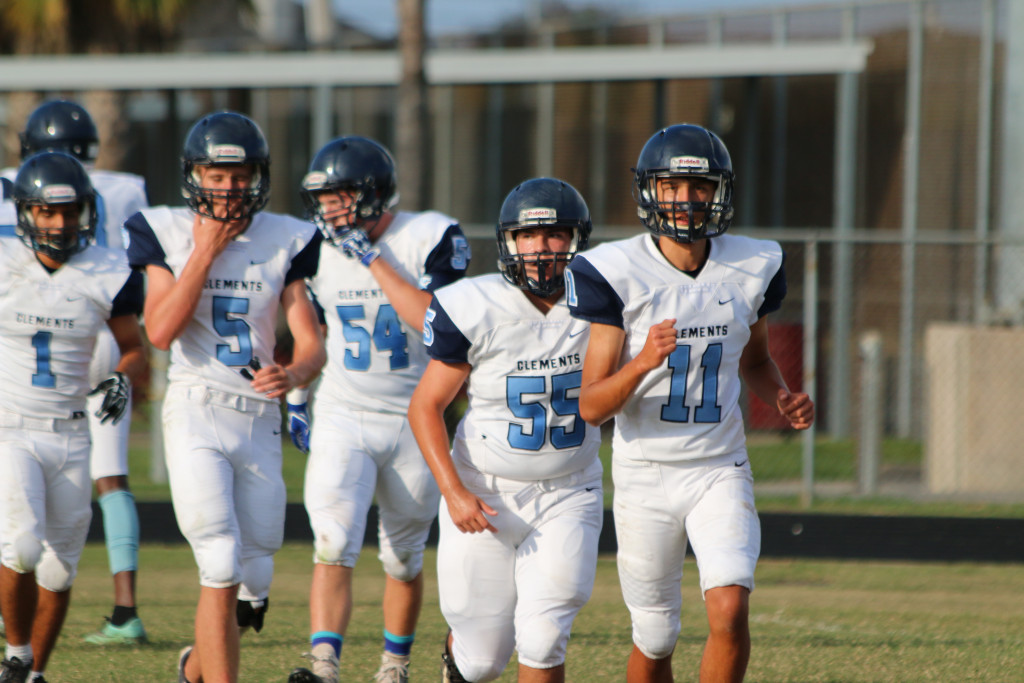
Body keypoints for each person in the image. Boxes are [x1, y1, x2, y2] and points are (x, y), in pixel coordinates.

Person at [564, 123, 815, 683]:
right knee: (655, 636)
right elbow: (589, 405)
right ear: (649, 191)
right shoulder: (614, 270)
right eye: (672, 186)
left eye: (699, 187)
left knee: (729, 608)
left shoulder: (752, 264)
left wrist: (780, 394)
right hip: (645, 473)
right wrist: (641, 363)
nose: (686, 199)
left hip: (718, 467)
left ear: (719, 192)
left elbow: (754, 361)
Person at [124, 111, 326, 683]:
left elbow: (310, 341)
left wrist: (296, 373)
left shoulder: (284, 236)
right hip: (196, 407)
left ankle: (196, 669)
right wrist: (205, 251)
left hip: (259, 417)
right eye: (217, 174)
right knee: (217, 558)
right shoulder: (163, 229)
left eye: (240, 175)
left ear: (257, 177)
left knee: (255, 574)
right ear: (195, 176)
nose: (230, 187)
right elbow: (160, 332)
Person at [287, 136, 470, 683]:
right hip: (345, 411)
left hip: (416, 417)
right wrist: (298, 390)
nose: (331, 209)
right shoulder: (314, 251)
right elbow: (311, 335)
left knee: (402, 557)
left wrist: (374, 262)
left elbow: (434, 322)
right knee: (333, 539)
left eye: (342, 195)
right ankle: (323, 666)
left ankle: (394, 665)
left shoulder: (429, 235)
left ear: (374, 194)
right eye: (325, 198)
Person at [408, 177, 603, 683]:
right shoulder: (474, 304)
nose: (540, 248)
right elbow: (426, 406)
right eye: (527, 235)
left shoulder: (605, 302)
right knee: (483, 661)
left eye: (555, 234)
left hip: (569, 488)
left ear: (576, 239)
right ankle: (458, 659)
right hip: (485, 491)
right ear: (508, 241)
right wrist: (453, 493)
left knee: (543, 640)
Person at [7, 99, 151, 646]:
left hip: (75, 393)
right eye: (48, 211)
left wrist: (127, 370)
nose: (61, 222)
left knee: (56, 560)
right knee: (29, 536)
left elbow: (135, 345)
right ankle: (27, 649)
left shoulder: (106, 269)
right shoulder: (6, 264)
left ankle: (31, 655)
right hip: (31, 400)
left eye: (69, 211)